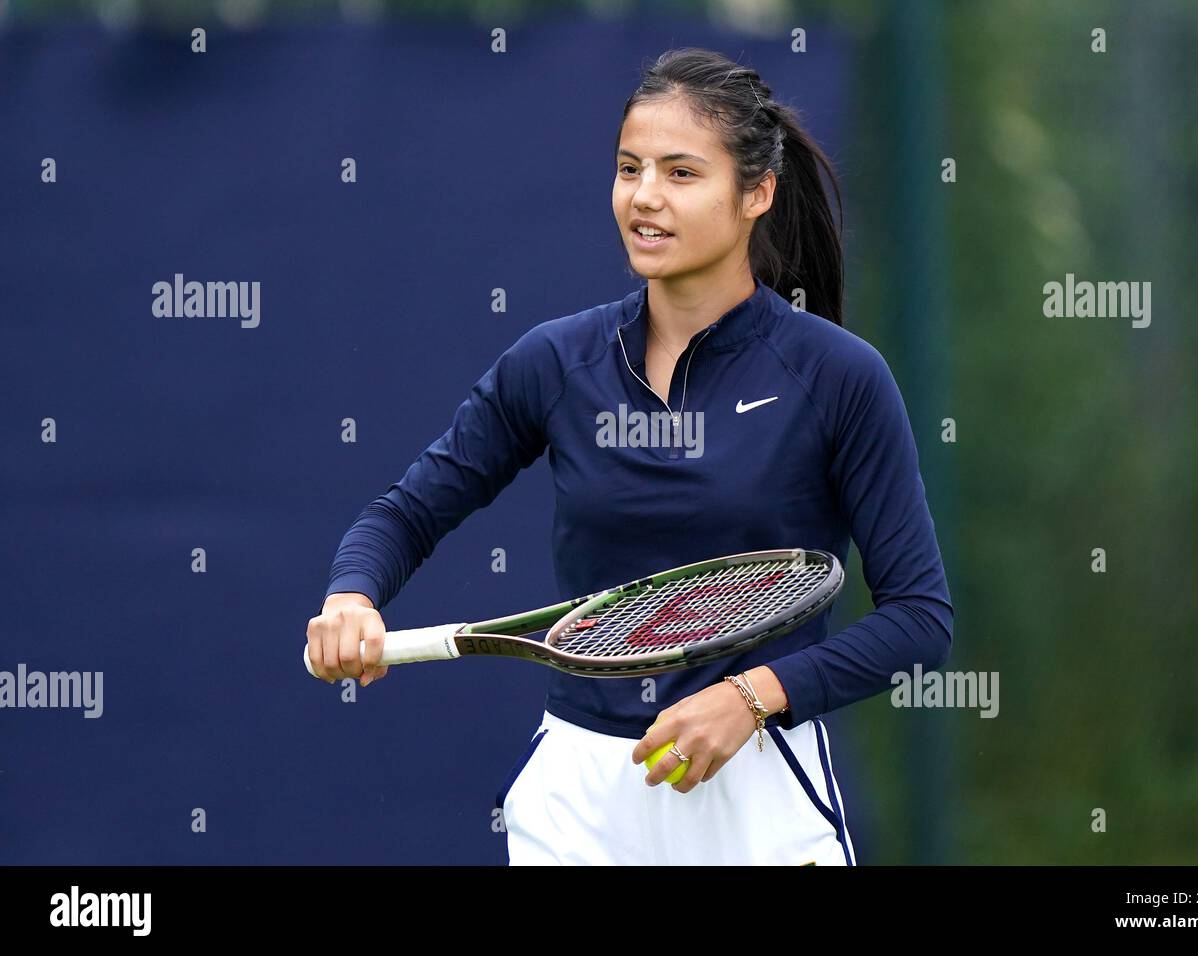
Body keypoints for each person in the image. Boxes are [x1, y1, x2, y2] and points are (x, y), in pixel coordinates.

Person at [305, 47, 952, 865]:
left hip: (759, 784)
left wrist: (754, 697)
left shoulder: (839, 378)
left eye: (681, 174)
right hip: (578, 800)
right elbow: (403, 513)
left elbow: (920, 621)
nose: (644, 197)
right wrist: (352, 596)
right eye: (629, 168)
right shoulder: (552, 363)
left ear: (756, 193)